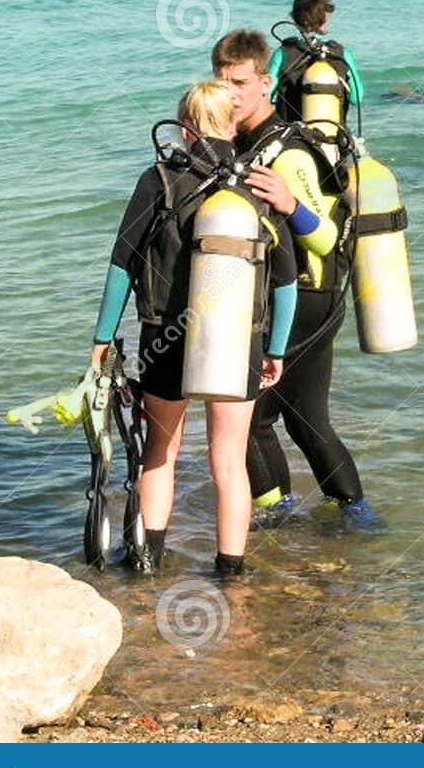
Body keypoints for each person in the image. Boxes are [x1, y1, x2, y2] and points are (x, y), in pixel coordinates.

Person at [89, 80, 297, 577]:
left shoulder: (157, 180)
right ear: (233, 124)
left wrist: (101, 339)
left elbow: (123, 266)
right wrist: (277, 350)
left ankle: (145, 561)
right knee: (228, 461)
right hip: (238, 339)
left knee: (161, 450)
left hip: (166, 338)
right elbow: (286, 283)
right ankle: (230, 573)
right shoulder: (258, 186)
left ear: (184, 129)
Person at [212, 28, 379, 527]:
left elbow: (327, 238)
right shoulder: (241, 142)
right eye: (221, 82)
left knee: (250, 419)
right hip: (290, 297)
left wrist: (290, 204)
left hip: (308, 297)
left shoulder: (289, 151)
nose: (230, 93)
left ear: (265, 82)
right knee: (306, 419)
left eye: (239, 82)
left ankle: (276, 518)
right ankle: (356, 515)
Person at [270, 0, 367, 125]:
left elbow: (265, 95)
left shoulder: (282, 53)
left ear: (294, 18)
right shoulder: (342, 54)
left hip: (290, 134)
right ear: (323, 19)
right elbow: (357, 98)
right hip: (332, 135)